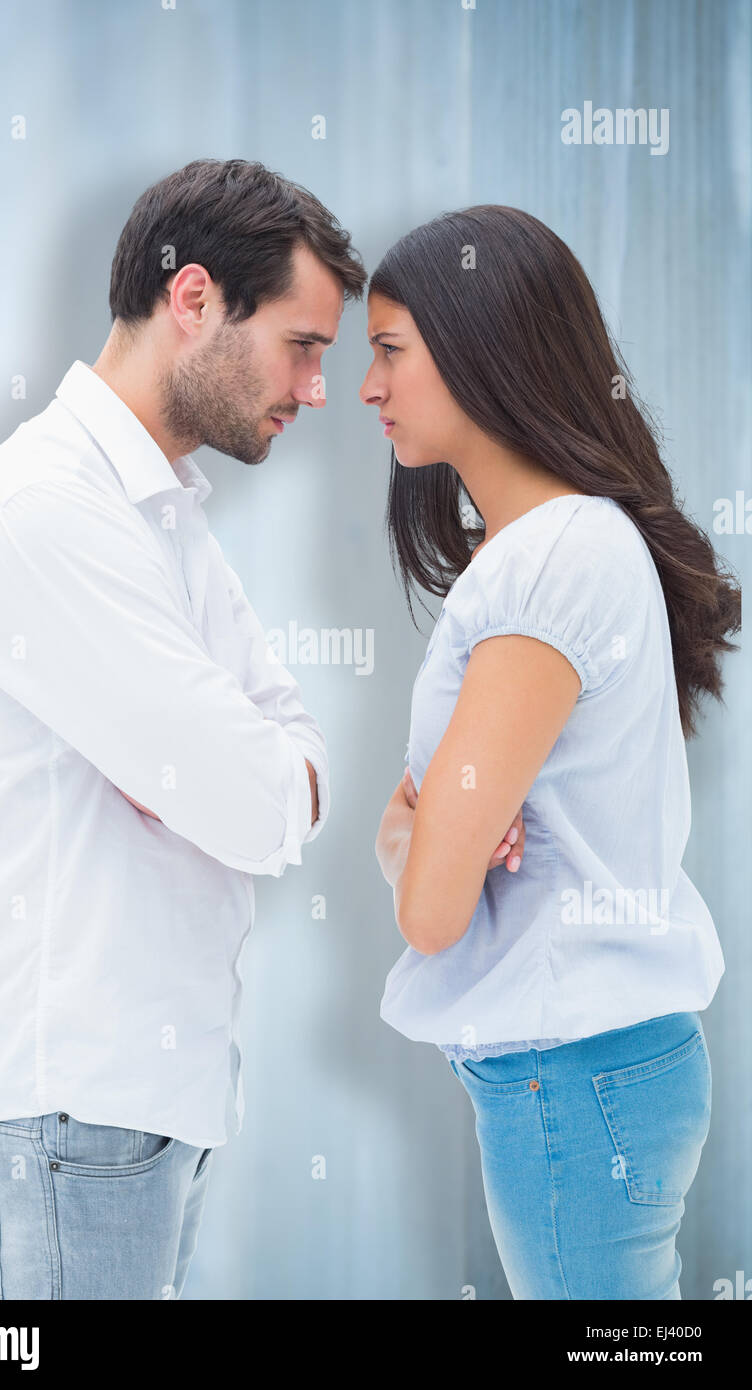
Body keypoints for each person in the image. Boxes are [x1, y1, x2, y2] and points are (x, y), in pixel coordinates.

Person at [0, 158, 366, 1299]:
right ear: (196, 299)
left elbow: (293, 755)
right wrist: (238, 775)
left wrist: (237, 772)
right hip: (70, 1117)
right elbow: (255, 797)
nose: (318, 389)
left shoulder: (161, 515)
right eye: (303, 345)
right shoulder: (43, 512)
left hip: (133, 1118)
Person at [366, 205, 740, 1300]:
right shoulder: (569, 550)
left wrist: (404, 835)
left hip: (571, 1076)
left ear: (482, 345)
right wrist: (426, 836)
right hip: (599, 1068)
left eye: (390, 351)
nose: (369, 388)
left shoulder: (550, 564)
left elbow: (433, 906)